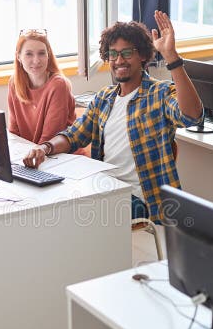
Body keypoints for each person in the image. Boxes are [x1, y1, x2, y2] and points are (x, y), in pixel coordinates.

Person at [23, 11, 203, 222]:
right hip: (104, 189)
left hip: (140, 201)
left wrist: (172, 57)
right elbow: (73, 136)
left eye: (127, 53)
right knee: (50, 206)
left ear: (143, 55)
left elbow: (192, 116)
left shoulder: (159, 93)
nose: (119, 60)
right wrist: (44, 148)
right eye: (113, 54)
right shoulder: (104, 98)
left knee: (67, 218)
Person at [7, 29, 76, 143]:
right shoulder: (14, 83)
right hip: (29, 154)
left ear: (48, 55)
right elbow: (14, 133)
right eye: (29, 54)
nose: (36, 60)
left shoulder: (58, 85)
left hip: (59, 155)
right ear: (18, 57)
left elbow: (48, 140)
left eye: (41, 53)